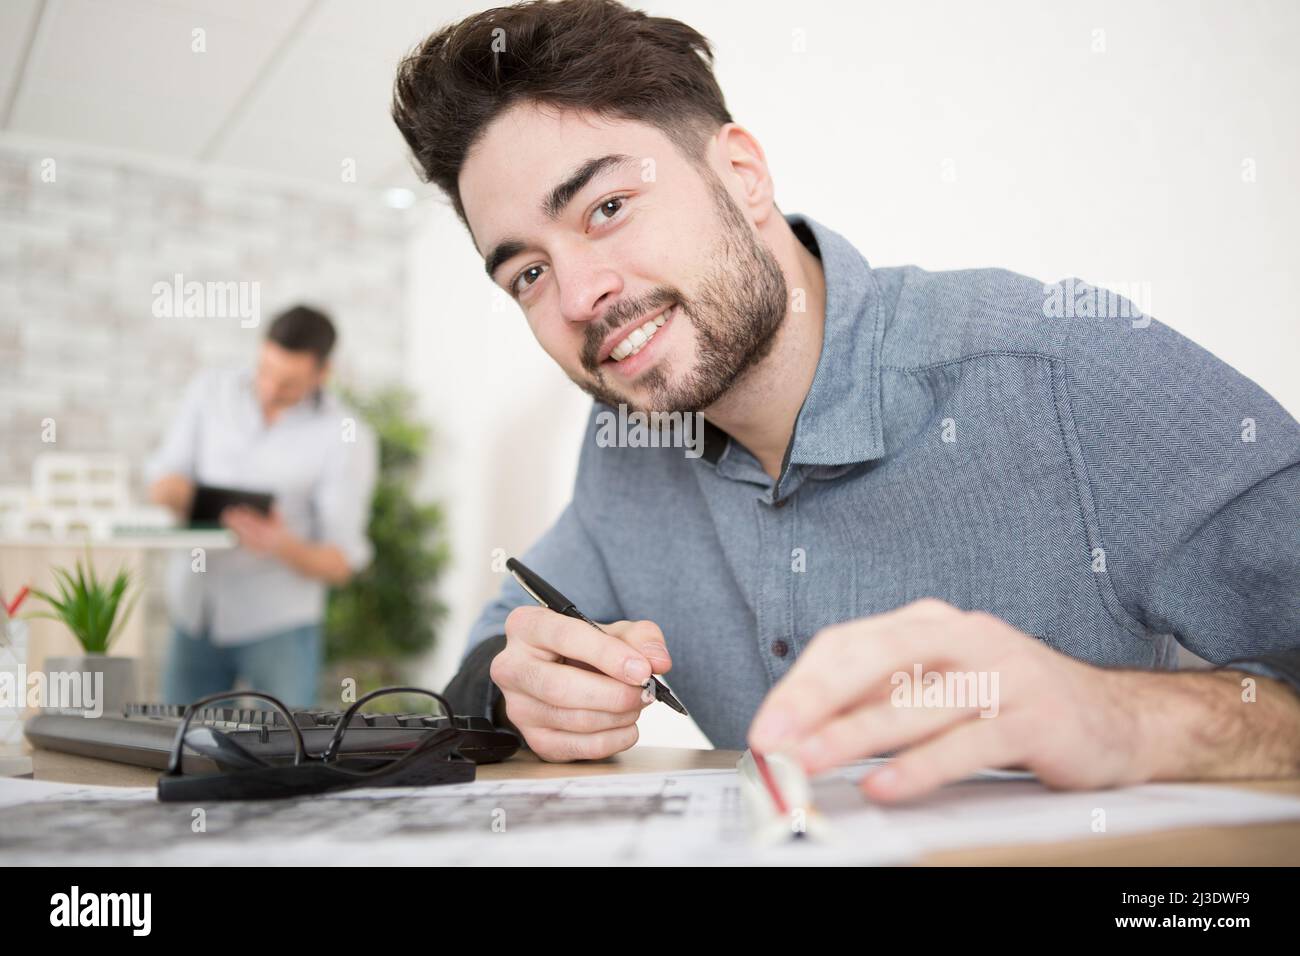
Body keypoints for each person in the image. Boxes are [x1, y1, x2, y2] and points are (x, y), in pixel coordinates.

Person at [393, 0, 1300, 799]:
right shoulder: (628, 437)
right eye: (528, 273)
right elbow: (502, 644)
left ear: (742, 178)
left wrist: (1126, 718)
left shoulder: (1061, 366)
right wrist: (515, 687)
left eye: (606, 207)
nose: (579, 294)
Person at [146, 305, 378, 708]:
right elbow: (163, 481)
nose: (270, 390)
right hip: (195, 611)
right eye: (265, 372)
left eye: (288, 383)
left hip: (278, 625)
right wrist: (201, 501)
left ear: (322, 374)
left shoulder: (346, 437)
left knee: (286, 759)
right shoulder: (210, 390)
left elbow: (342, 563)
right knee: (179, 750)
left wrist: (279, 543)